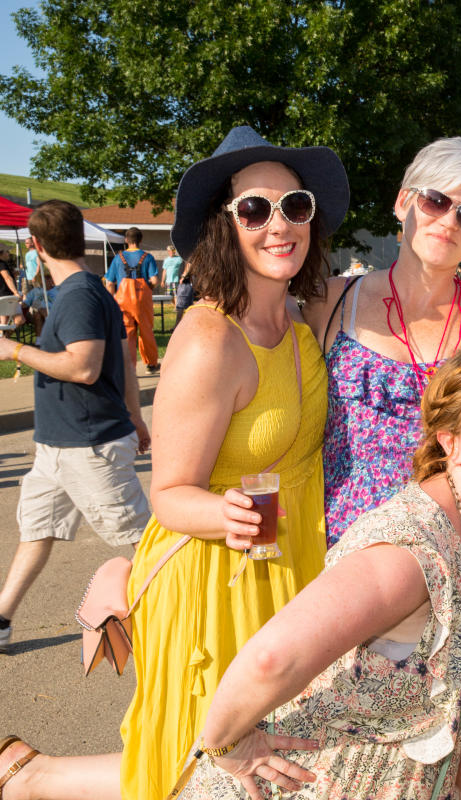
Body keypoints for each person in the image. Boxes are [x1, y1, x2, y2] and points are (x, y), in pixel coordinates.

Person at [118, 346, 461, 799]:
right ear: (449, 442)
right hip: (308, 784)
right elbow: (270, 658)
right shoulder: (410, 551)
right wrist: (228, 745)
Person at [0, 126, 348, 800]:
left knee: (255, 767)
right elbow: (168, 494)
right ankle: (32, 780)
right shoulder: (209, 338)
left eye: (295, 206)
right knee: (212, 769)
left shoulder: (305, 327)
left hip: (288, 571)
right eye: (255, 209)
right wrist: (230, 512)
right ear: (225, 226)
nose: (279, 225)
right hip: (215, 582)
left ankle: (29, 776)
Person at [300, 136, 461, 798]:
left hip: (445, 568)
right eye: (436, 201)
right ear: (403, 204)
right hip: (340, 562)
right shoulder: (331, 301)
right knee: (330, 737)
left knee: (453, 738)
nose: (447, 221)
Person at [0, 200, 150, 655]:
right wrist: (138, 416)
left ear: (37, 246)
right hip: (58, 447)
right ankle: (2, 618)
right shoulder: (89, 290)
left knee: (143, 540)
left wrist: (12, 351)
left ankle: (188, 617)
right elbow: (123, 359)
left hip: (88, 445)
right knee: (37, 530)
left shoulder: (81, 294)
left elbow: (84, 367)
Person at [104, 226, 161, 373]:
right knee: (146, 331)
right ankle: (151, 364)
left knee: (128, 334)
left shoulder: (118, 258)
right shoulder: (147, 257)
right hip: (142, 299)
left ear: (126, 240)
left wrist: (111, 300)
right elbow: (154, 280)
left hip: (123, 301)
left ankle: (129, 368)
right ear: (140, 240)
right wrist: (148, 288)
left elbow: (109, 282)